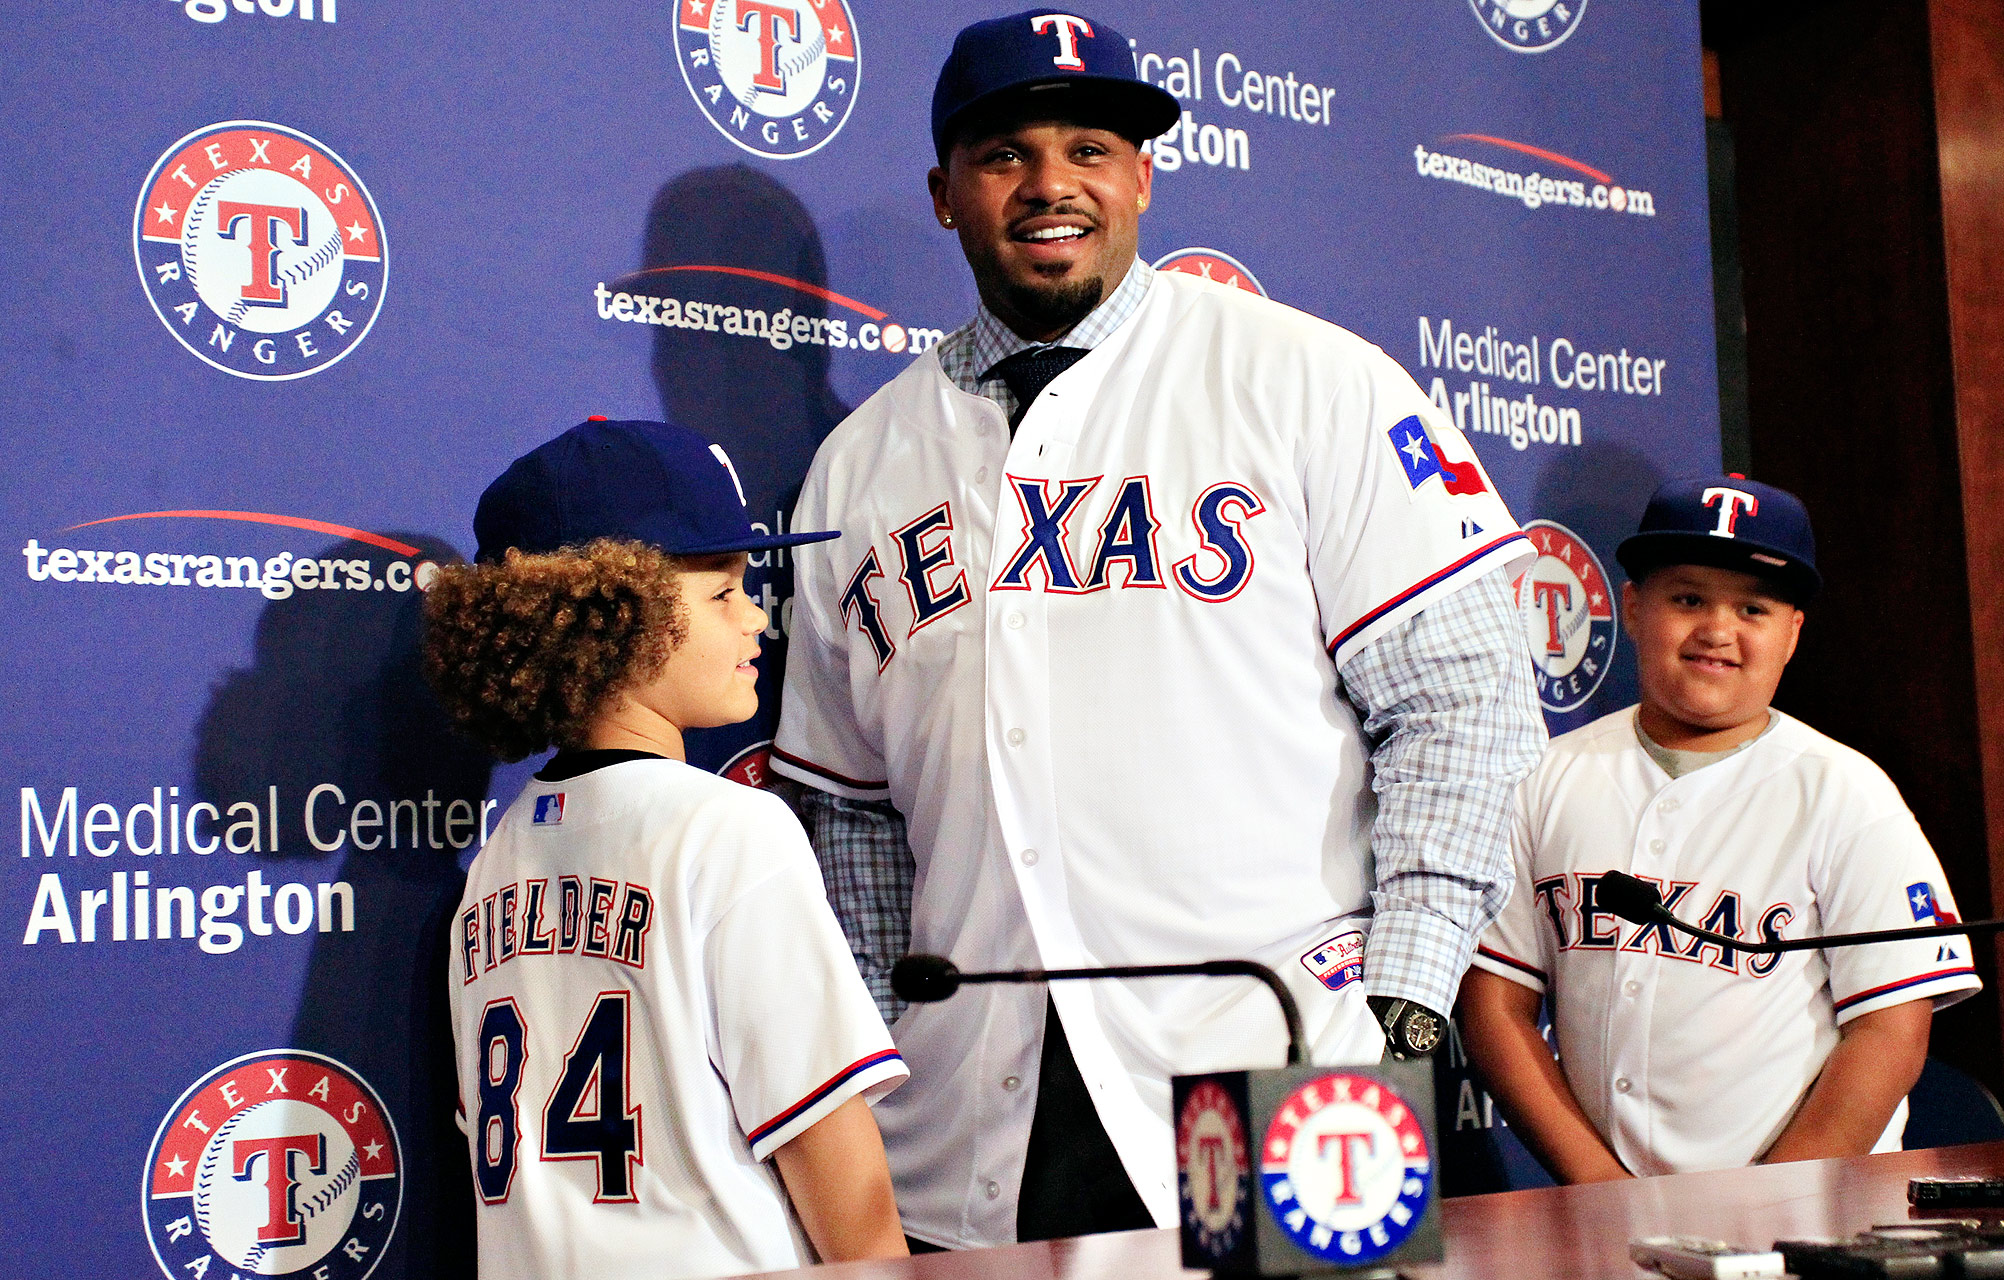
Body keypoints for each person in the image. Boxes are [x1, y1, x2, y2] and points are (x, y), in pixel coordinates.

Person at [769, 8, 1546, 1249]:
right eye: (1004, 154)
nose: (1049, 185)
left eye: (1089, 148)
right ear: (943, 195)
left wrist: (1400, 999)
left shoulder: (1304, 377)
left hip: (1290, 1063)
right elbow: (849, 816)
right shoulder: (858, 465)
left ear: (1141, 175)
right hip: (971, 1099)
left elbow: (1463, 701)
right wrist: (874, 1047)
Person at [423, 417, 910, 1279]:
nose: (756, 618)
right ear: (609, 621)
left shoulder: (492, 869)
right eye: (722, 593)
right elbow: (847, 1191)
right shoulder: (732, 831)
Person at [1457, 474, 1981, 1182]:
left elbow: (1890, 1030)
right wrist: (1603, 1193)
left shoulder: (1846, 794)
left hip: (1817, 1209)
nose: (1717, 630)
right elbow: (1496, 1007)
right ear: (1633, 607)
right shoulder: (1544, 779)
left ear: (1792, 634)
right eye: (1688, 599)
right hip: (1607, 1212)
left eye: (1753, 608)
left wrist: (1768, 1205)